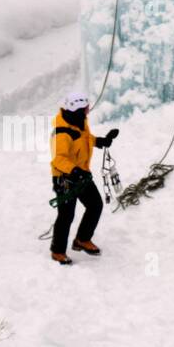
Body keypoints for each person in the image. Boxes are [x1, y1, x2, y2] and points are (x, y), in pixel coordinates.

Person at [49, 92, 119, 266]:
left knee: (95, 205)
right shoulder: (62, 133)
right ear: (77, 110)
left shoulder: (80, 122)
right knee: (66, 215)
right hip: (65, 179)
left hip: (81, 174)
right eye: (86, 108)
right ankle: (57, 251)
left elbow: (85, 138)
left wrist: (100, 141)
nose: (88, 111)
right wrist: (74, 171)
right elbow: (59, 159)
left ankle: (82, 239)